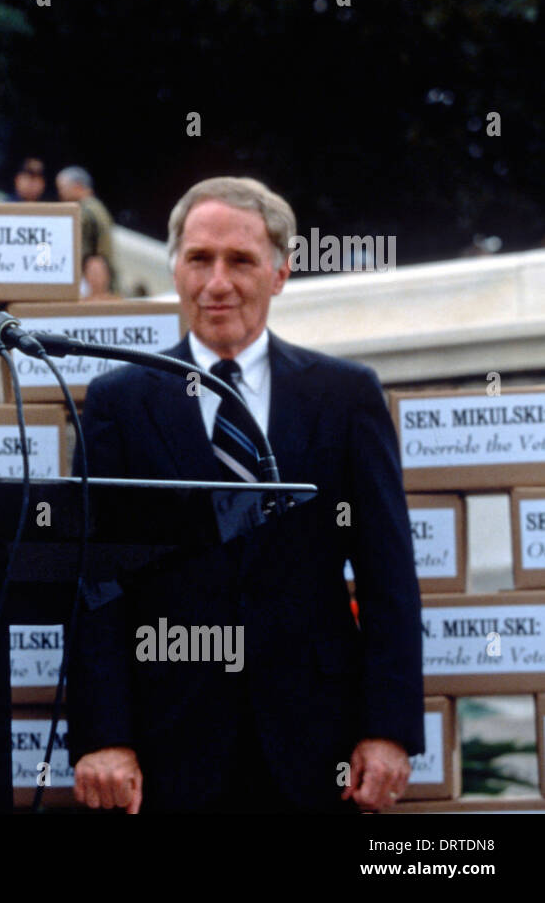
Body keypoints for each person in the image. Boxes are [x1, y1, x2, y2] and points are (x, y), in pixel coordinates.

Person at [67, 176, 423, 813]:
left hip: (317, 741)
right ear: (174, 267)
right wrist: (104, 736)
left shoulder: (345, 398)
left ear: (281, 272)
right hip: (164, 743)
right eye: (199, 258)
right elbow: (96, 585)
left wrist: (389, 729)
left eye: (241, 261)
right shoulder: (119, 403)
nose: (218, 282)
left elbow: (388, 575)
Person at [56, 166, 117, 293]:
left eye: (62, 188)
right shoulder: (97, 208)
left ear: (77, 186)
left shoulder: (84, 212)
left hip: (93, 279)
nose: (60, 193)